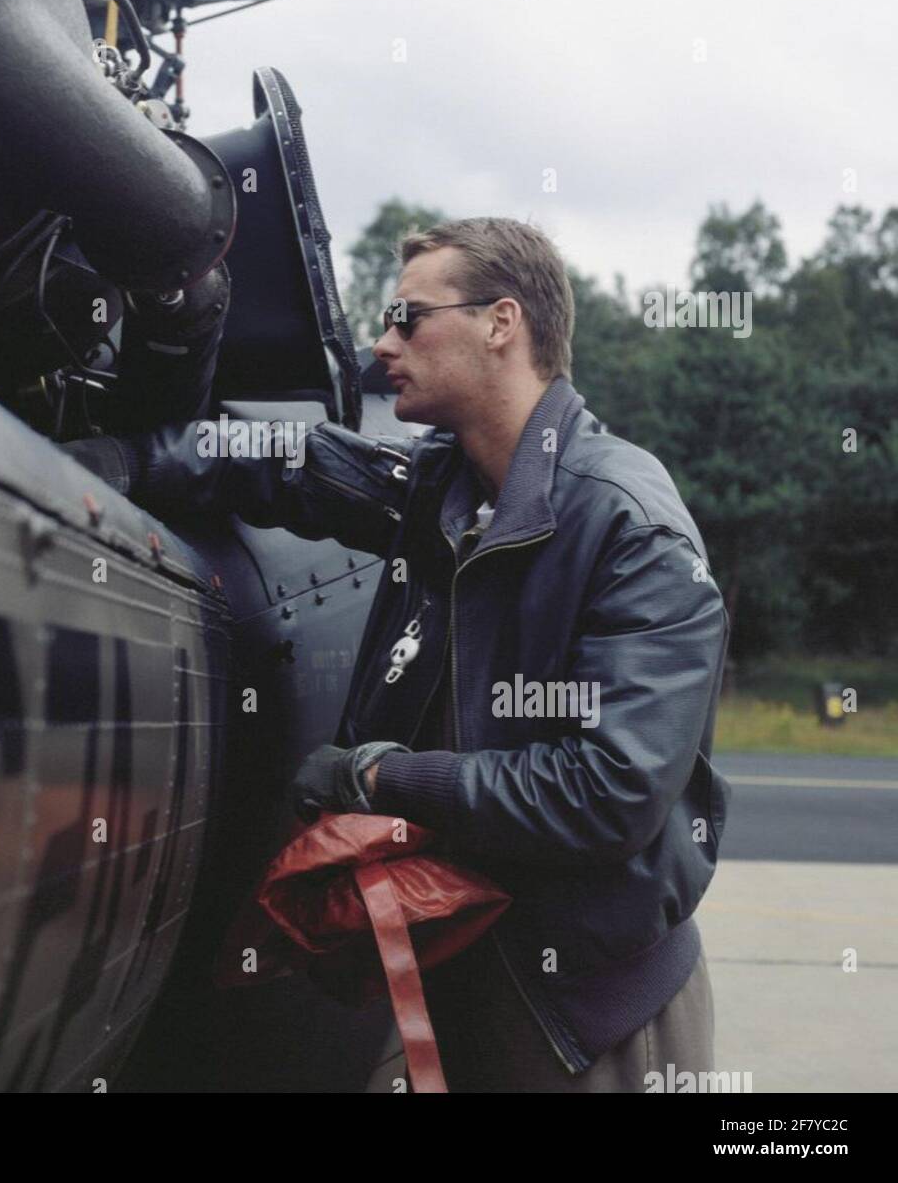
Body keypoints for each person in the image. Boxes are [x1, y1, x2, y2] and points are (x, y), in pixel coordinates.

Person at [64, 216, 731, 1092]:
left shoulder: (625, 526)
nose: (382, 342)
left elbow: (604, 794)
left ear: (501, 323)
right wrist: (117, 462)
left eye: (407, 317)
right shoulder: (448, 488)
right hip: (471, 972)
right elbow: (292, 464)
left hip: (586, 1018)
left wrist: (380, 778)